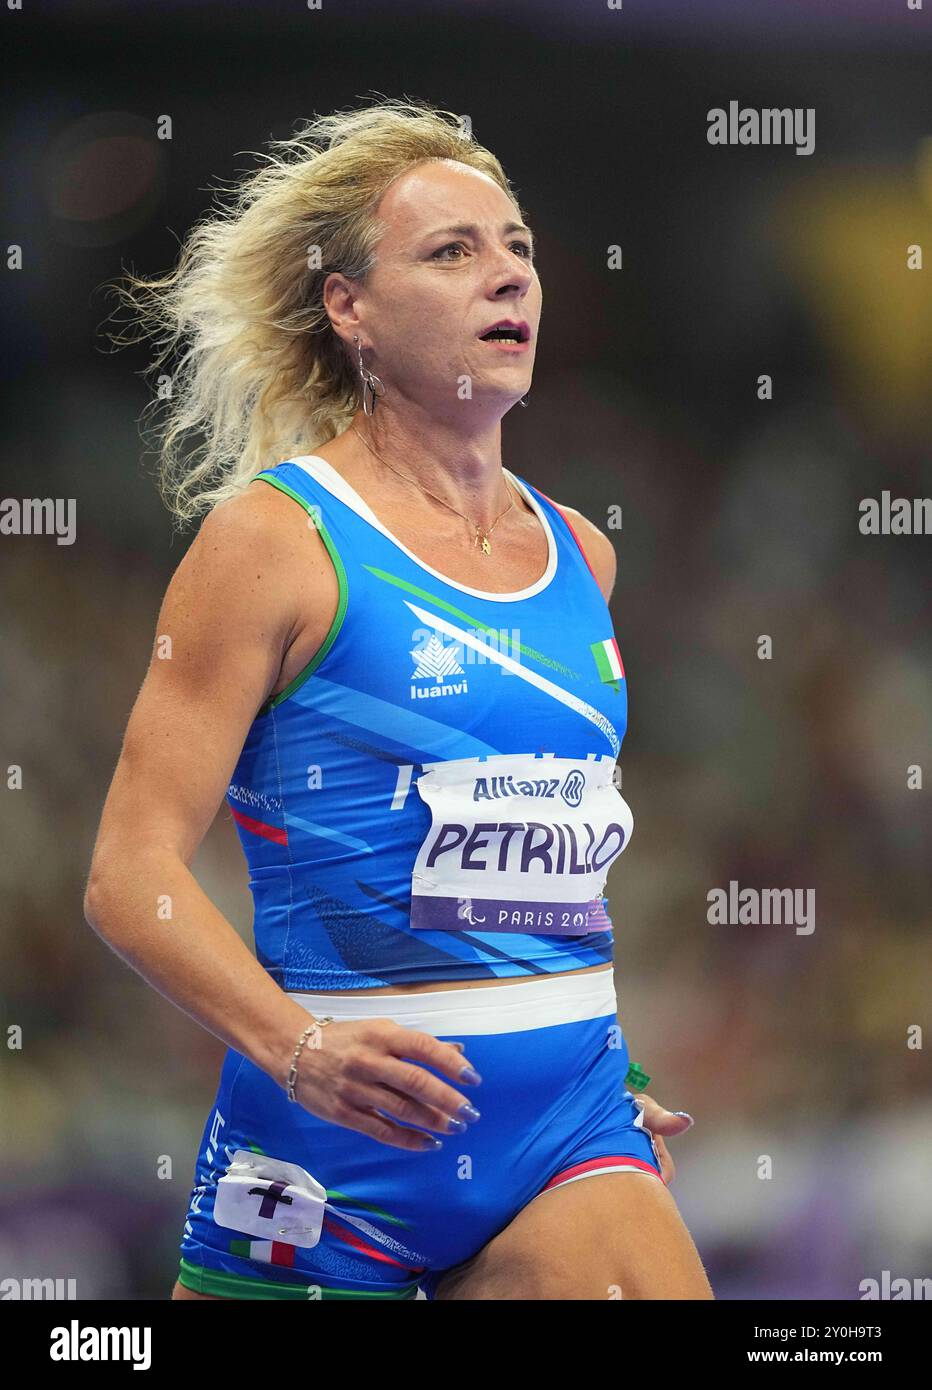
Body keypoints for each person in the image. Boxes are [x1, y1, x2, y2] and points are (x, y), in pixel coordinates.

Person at [86, 97, 713, 1300]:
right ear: (350, 310)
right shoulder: (275, 540)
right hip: (330, 1163)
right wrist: (296, 1046)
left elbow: (548, 856)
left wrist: (607, 1067)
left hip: (568, 1133)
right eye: (452, 251)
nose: (506, 276)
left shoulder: (582, 556)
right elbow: (129, 873)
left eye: (517, 246)